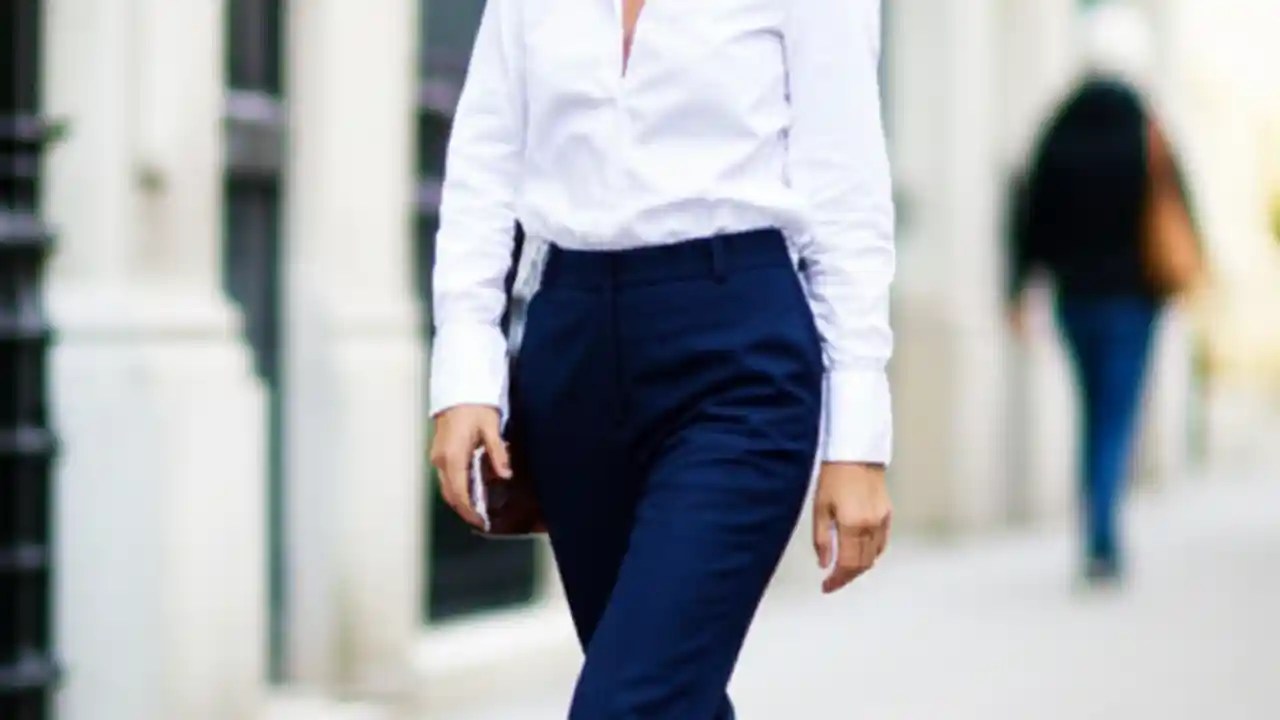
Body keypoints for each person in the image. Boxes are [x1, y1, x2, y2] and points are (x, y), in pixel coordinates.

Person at [429, 0, 895, 716]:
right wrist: (466, 369)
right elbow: (485, 162)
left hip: (739, 359)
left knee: (629, 703)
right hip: (572, 348)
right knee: (674, 695)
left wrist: (856, 441)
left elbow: (846, 191)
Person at [1009, 76, 1196, 585]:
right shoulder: (1143, 137)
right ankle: (1103, 537)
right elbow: (1178, 204)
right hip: (1133, 300)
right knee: (1115, 418)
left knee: (1093, 413)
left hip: (1075, 300)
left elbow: (1029, 217)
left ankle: (1096, 530)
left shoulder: (1058, 140)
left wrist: (1019, 288)